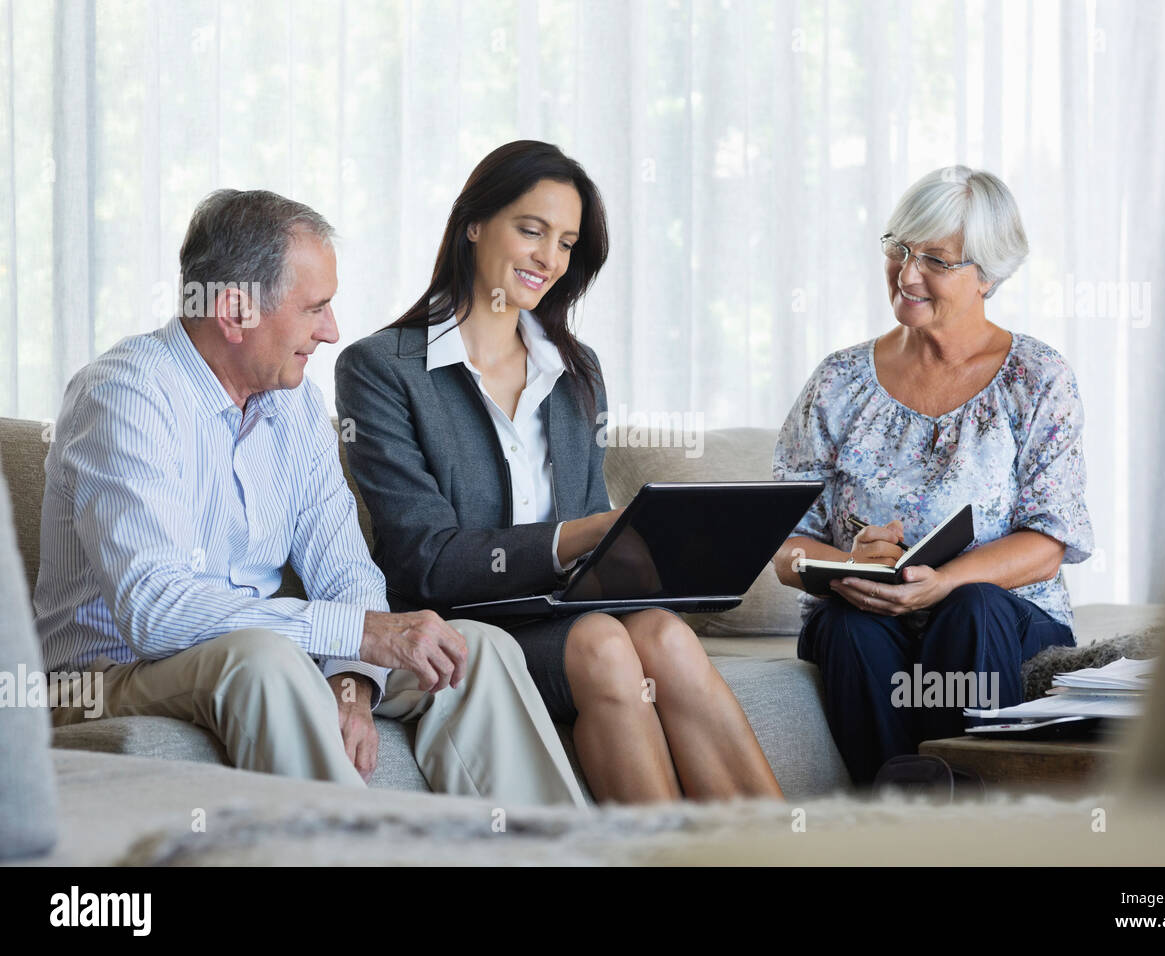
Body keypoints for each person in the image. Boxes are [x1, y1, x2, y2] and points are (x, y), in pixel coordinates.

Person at [34, 188, 585, 806]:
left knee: (474, 651)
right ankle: (339, 846)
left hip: (255, 655)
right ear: (235, 311)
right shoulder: (125, 395)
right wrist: (357, 633)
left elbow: (345, 569)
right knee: (263, 659)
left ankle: (550, 847)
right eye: (314, 308)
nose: (332, 331)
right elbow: (155, 612)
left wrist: (354, 678)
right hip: (104, 678)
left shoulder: (293, 403)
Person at [335, 141, 782, 803]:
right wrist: (587, 532)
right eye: (532, 230)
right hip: (463, 623)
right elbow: (422, 559)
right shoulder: (382, 368)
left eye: (567, 243)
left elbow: (594, 534)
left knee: (667, 635)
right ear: (473, 224)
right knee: (602, 645)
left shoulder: (576, 368)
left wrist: (663, 554)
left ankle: (781, 844)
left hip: (562, 609)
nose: (550, 258)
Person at [772, 166, 1094, 784]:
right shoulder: (838, 381)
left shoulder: (1038, 377)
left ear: (988, 276)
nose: (907, 274)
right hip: (871, 621)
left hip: (1001, 619)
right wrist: (846, 565)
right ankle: (910, 809)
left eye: (936, 261)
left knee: (973, 606)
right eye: (899, 248)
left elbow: (1048, 544)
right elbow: (785, 546)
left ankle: (965, 805)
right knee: (846, 621)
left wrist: (941, 582)